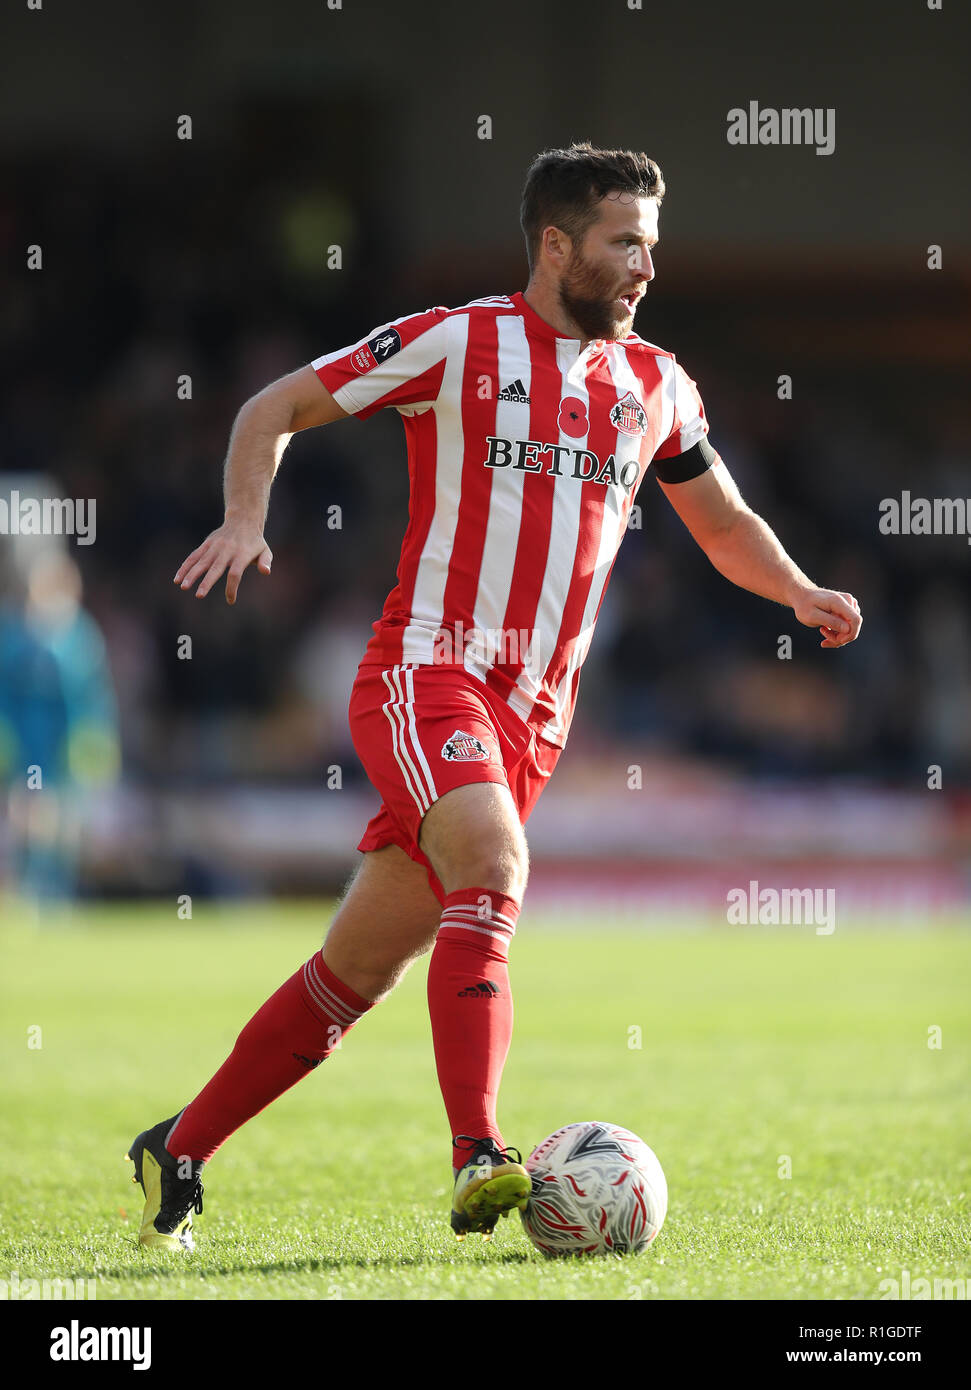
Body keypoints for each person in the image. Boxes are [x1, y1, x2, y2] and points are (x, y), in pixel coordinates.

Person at [126, 142, 862, 1251]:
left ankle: (176, 1147)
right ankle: (478, 1151)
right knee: (496, 865)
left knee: (358, 970)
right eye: (623, 243)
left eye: (651, 247)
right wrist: (244, 517)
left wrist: (798, 588)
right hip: (428, 670)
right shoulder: (455, 339)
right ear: (556, 244)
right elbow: (271, 407)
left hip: (532, 720)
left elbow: (720, 524)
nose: (643, 268)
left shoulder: (656, 383)